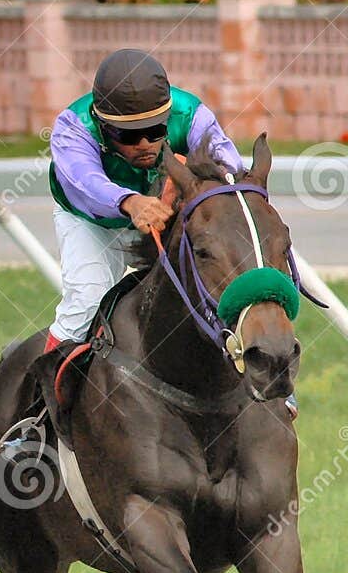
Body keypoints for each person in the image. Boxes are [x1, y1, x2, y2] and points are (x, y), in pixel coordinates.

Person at [45, 48, 244, 353]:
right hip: (92, 223)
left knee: (210, 286)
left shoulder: (191, 113)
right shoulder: (73, 127)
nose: (144, 144)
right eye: (127, 135)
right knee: (87, 298)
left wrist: (190, 176)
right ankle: (46, 382)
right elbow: (85, 180)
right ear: (102, 126)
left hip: (164, 218)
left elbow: (229, 166)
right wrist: (129, 201)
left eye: (155, 130)